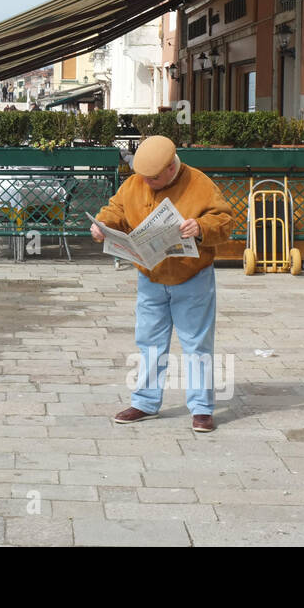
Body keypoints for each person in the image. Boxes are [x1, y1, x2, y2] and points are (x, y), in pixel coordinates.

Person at [90, 135, 233, 432]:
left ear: (171, 168)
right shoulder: (135, 183)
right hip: (150, 276)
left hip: (192, 276)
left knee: (197, 344)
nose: (147, 183)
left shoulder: (200, 183)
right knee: (149, 342)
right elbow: (115, 210)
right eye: (143, 177)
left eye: (153, 178)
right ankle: (144, 402)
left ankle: (202, 408)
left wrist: (201, 227)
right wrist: (102, 226)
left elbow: (225, 220)